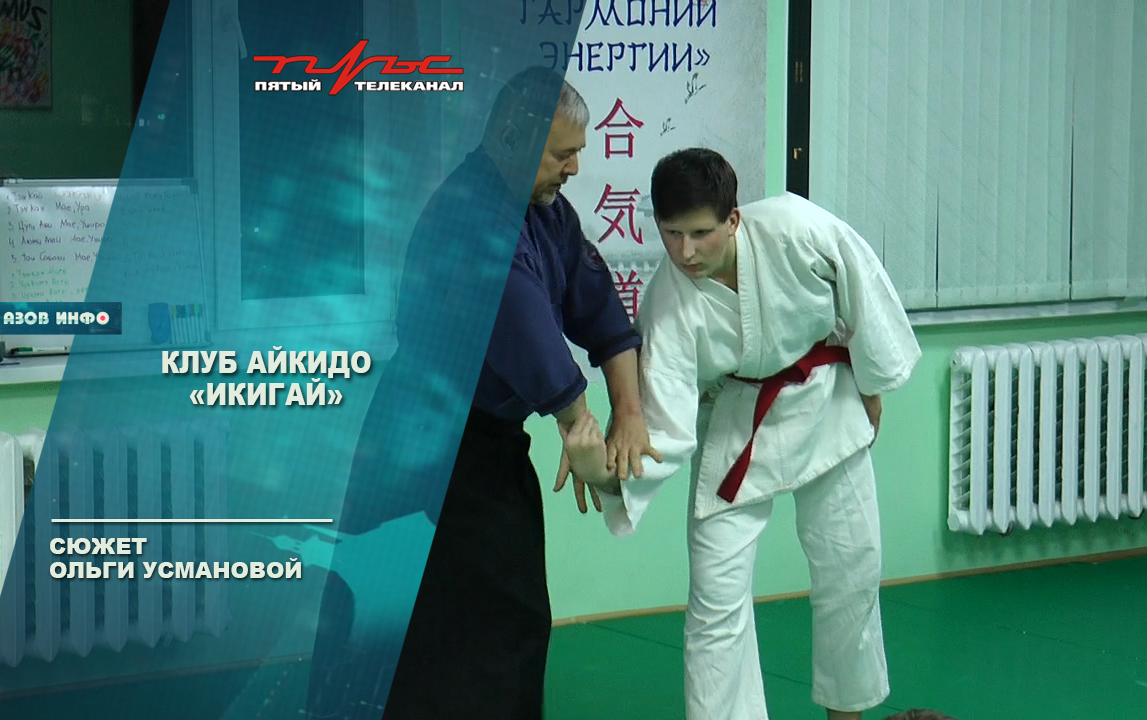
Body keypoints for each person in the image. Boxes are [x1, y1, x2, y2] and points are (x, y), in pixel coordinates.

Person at [306, 67, 657, 720]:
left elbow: (600, 308)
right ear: (511, 139)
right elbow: (526, 331)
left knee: (483, 615)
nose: (575, 168)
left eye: (577, 152)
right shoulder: (471, 221)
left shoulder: (546, 211)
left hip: (484, 441)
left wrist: (629, 413)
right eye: (562, 153)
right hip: (426, 442)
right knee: (450, 615)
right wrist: (580, 428)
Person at [563, 147, 922, 720]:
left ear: (733, 219)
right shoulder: (666, 303)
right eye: (672, 233)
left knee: (852, 567)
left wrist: (870, 379)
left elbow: (861, 284)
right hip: (737, 424)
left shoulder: (795, 227)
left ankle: (847, 715)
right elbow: (665, 421)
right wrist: (610, 473)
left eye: (700, 233)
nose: (685, 251)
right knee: (715, 599)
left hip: (824, 400)